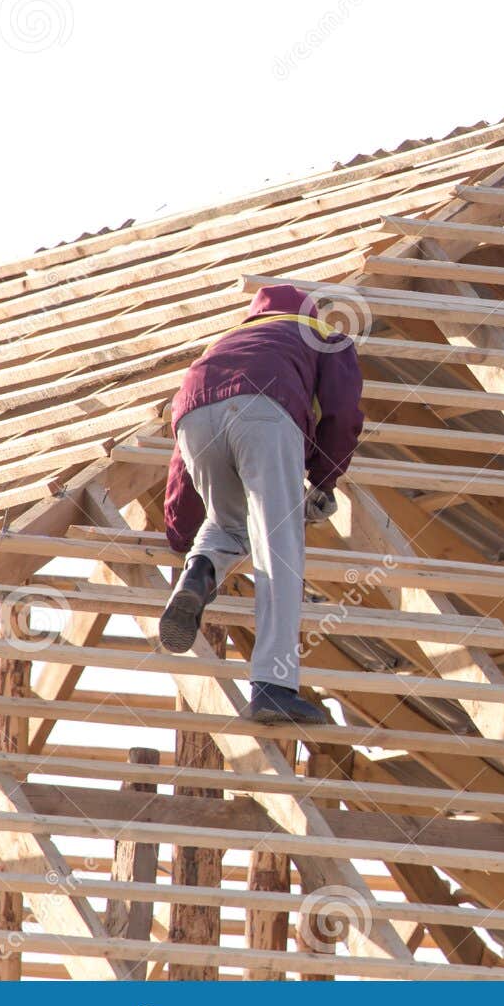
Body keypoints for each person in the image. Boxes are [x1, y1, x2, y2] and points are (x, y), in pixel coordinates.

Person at [160, 283, 363, 724]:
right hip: (266, 409)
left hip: (193, 417)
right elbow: (343, 414)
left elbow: (180, 462)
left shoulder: (222, 344)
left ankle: (200, 571)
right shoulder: (322, 336)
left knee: (230, 522)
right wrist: (324, 483)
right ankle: (273, 686)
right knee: (280, 546)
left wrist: (179, 532)